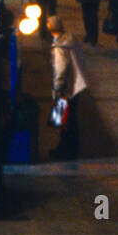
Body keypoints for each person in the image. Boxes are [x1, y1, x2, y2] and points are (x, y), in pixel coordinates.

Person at [48, 16, 88, 160]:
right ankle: (72, 147)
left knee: (65, 120)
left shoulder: (59, 47)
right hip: (76, 84)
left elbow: (61, 68)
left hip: (66, 88)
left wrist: (57, 87)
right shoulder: (71, 40)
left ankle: (65, 150)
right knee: (71, 119)